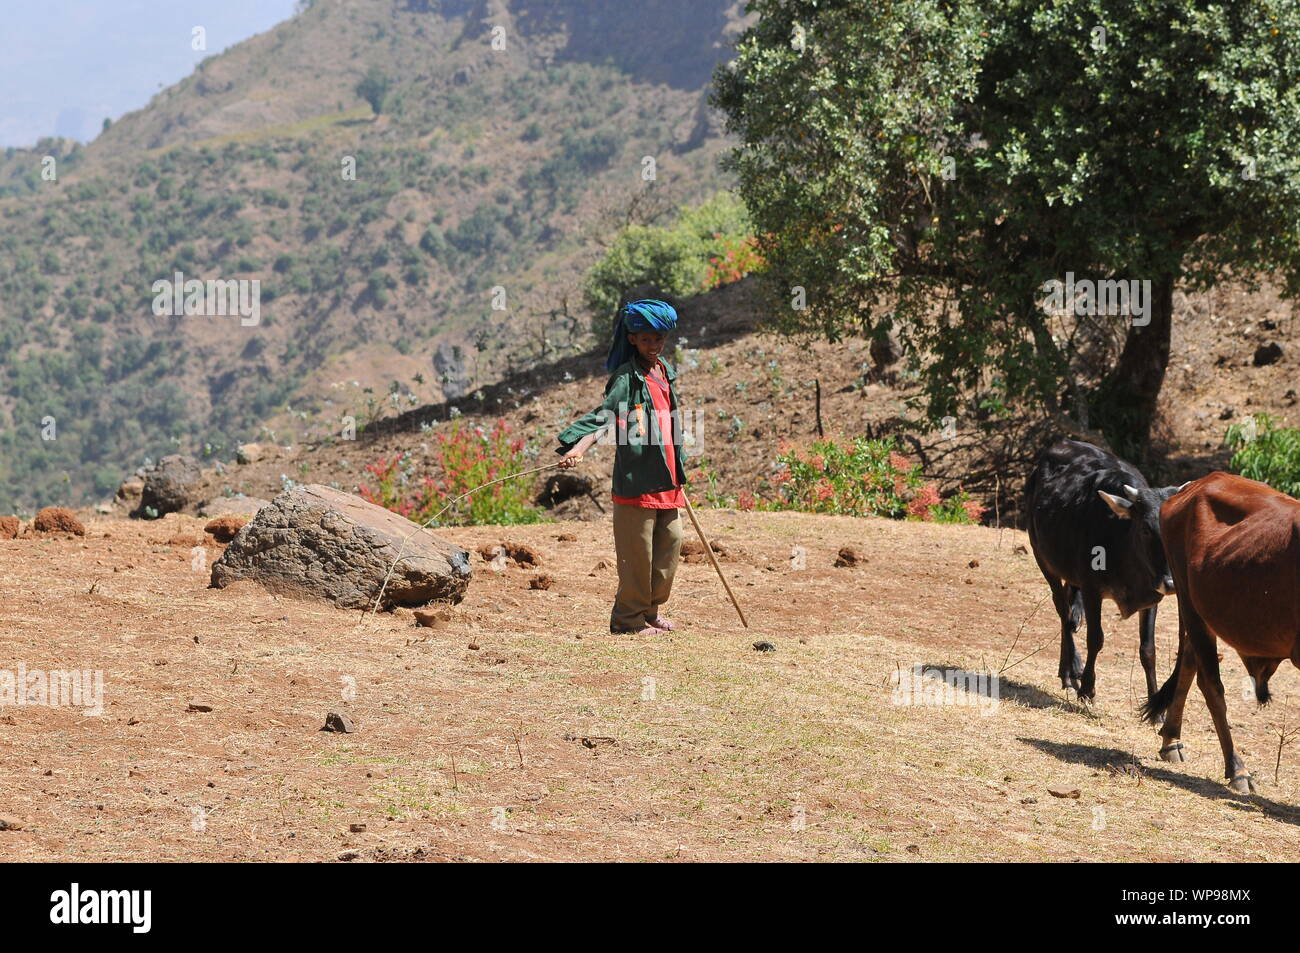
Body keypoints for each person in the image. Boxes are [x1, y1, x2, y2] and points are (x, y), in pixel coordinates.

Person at [556, 299, 687, 635]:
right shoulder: (626, 378)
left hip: (667, 481)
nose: (654, 345)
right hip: (636, 483)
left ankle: (650, 611)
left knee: (668, 552)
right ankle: (627, 620)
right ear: (632, 339)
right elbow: (606, 416)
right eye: (646, 339)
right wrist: (578, 448)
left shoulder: (663, 371)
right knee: (637, 559)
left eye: (659, 339)